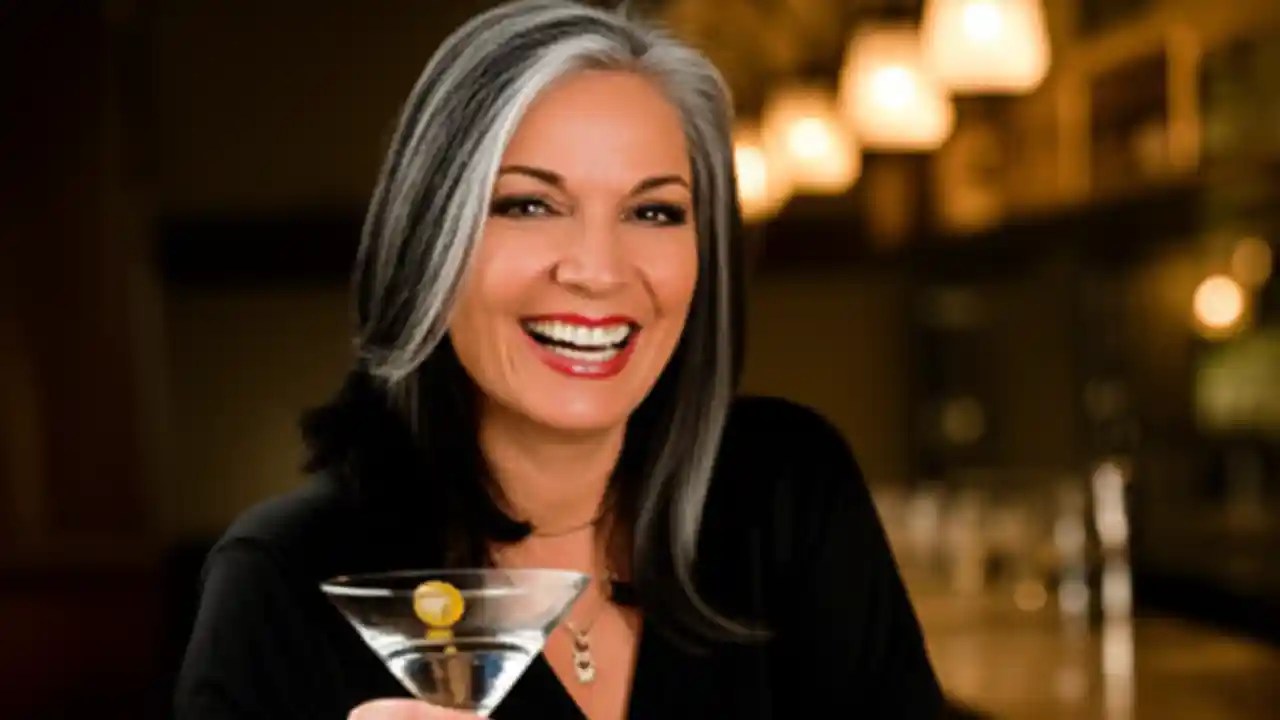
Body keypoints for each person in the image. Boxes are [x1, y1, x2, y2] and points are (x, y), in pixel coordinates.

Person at [173, 1, 944, 718]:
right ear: (429, 242)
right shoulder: (281, 581)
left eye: (654, 211)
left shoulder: (787, 491)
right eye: (529, 205)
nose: (598, 271)